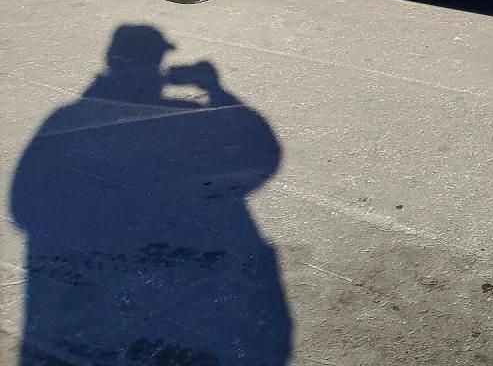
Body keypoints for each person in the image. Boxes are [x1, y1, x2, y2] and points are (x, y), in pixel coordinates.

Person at [9, 25, 291, 364]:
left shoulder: (67, 119)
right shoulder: (183, 116)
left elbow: (23, 203)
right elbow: (262, 152)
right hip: (175, 288)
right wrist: (216, 90)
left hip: (94, 296)